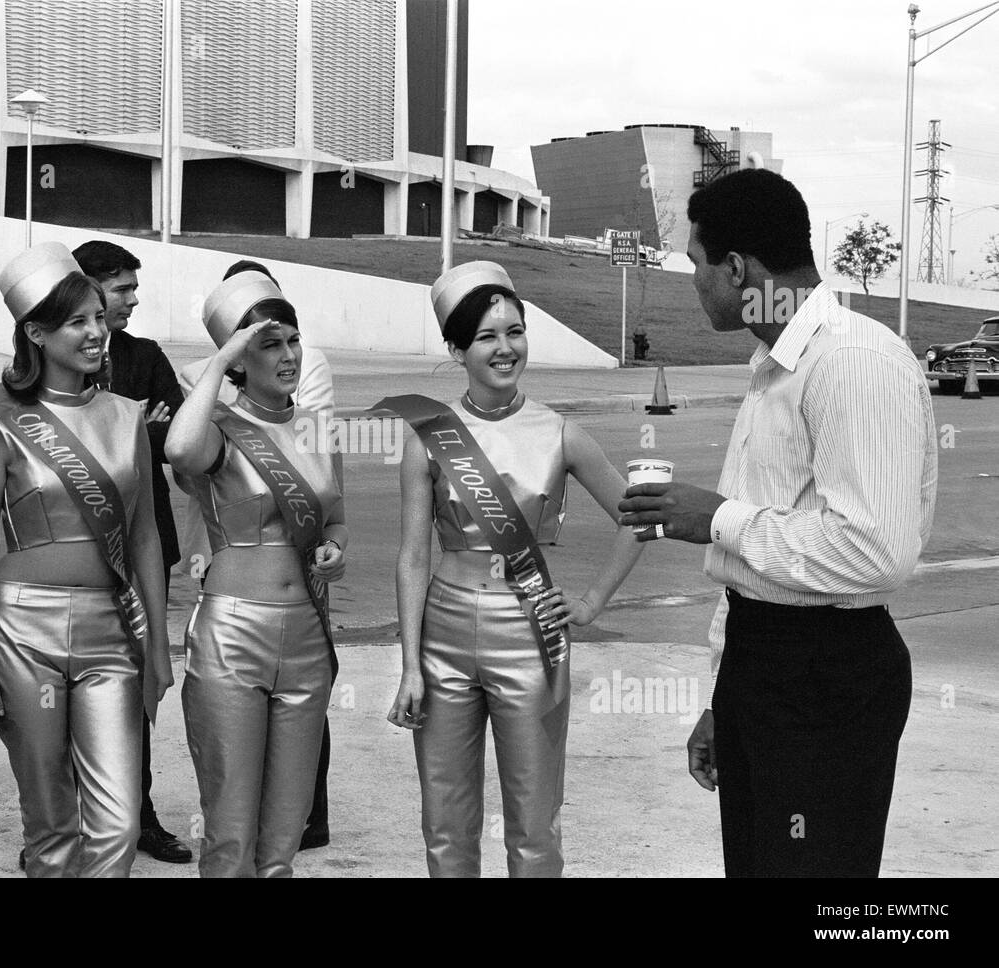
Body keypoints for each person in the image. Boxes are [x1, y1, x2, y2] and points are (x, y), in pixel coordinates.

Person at [619, 168, 937, 877]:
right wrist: (720, 698)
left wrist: (720, 518)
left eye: (695, 266)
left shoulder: (852, 362)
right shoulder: (774, 368)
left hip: (826, 677)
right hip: (762, 665)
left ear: (736, 269)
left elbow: (878, 551)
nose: (693, 283)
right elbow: (753, 574)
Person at [383, 261, 643, 878]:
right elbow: (413, 554)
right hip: (443, 631)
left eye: (515, 331)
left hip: (533, 634)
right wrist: (410, 665)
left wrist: (590, 604)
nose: (505, 349)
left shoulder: (561, 433)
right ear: (456, 348)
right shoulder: (428, 436)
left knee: (534, 822)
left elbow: (638, 517)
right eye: (486, 337)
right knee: (445, 820)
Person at [0, 242, 172, 878]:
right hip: (22, 631)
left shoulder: (127, 416)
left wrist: (158, 644)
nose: (96, 334)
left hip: (112, 631)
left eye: (99, 320)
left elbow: (144, 541)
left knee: (118, 820)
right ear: (36, 332)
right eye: (78, 321)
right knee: (50, 824)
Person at [166, 269, 346, 877]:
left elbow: (336, 518)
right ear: (240, 359)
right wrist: (220, 363)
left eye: (293, 340)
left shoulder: (320, 427)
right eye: (270, 345)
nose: (290, 355)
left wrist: (335, 551)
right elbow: (179, 452)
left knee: (283, 835)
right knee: (230, 831)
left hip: (306, 640)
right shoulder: (217, 428)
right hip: (232, 638)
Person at [72, 239, 190, 865]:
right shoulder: (58, 357)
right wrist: (137, 428)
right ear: (86, 289)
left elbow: (174, 437)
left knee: (139, 677)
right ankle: (65, 821)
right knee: (68, 684)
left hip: (145, 546)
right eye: (121, 289)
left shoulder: (145, 356)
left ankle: (136, 811)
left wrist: (147, 429)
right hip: (75, 552)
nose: (133, 299)